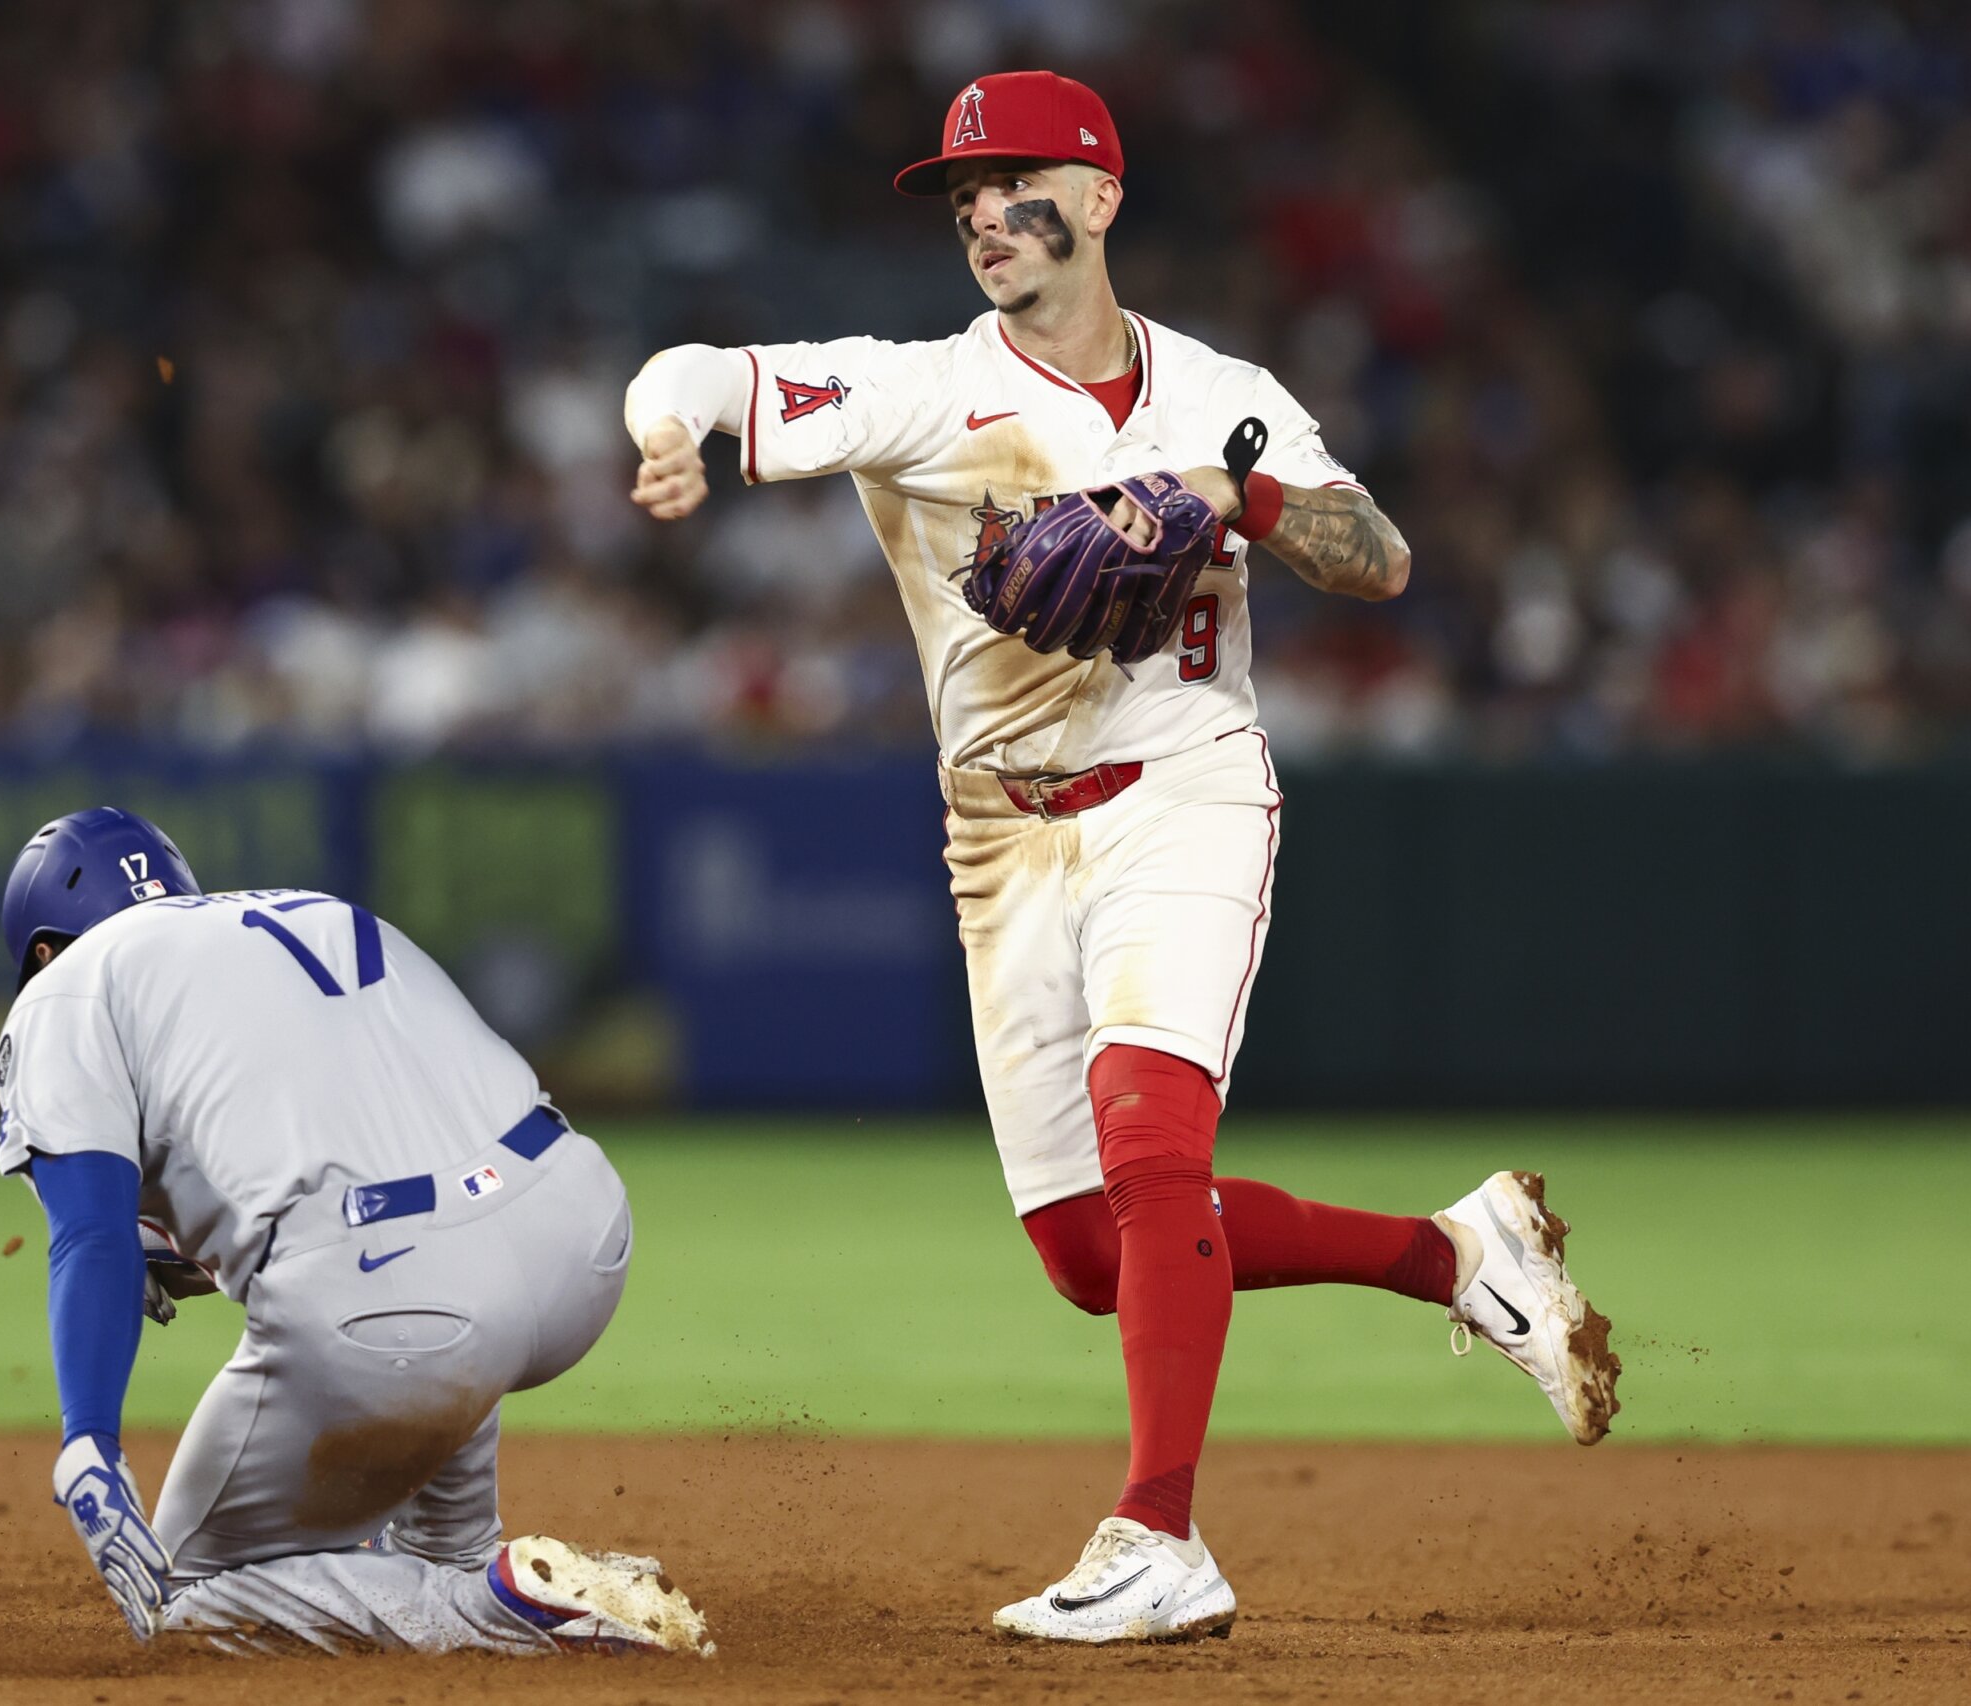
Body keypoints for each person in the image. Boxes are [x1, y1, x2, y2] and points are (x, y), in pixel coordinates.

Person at [622, 70, 1618, 1644]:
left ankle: (1160, 1533)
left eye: (1014, 183)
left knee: (1152, 1138)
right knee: (1091, 1251)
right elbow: (694, 371)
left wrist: (1235, 491)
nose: (982, 214)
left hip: (1182, 783)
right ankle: (1457, 1254)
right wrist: (671, 432)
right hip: (1000, 833)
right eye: (963, 195)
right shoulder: (923, 391)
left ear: (1098, 198)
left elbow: (1379, 558)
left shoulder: (1222, 390)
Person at [0, 806, 710, 1657]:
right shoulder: (308, 914)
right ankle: (463, 1555)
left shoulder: (67, 987)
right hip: (578, 1231)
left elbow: (89, 1237)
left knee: (179, 1598)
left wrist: (89, 1439)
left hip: (412, 1307)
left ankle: (499, 1608)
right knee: (427, 1251)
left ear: (43, 951)